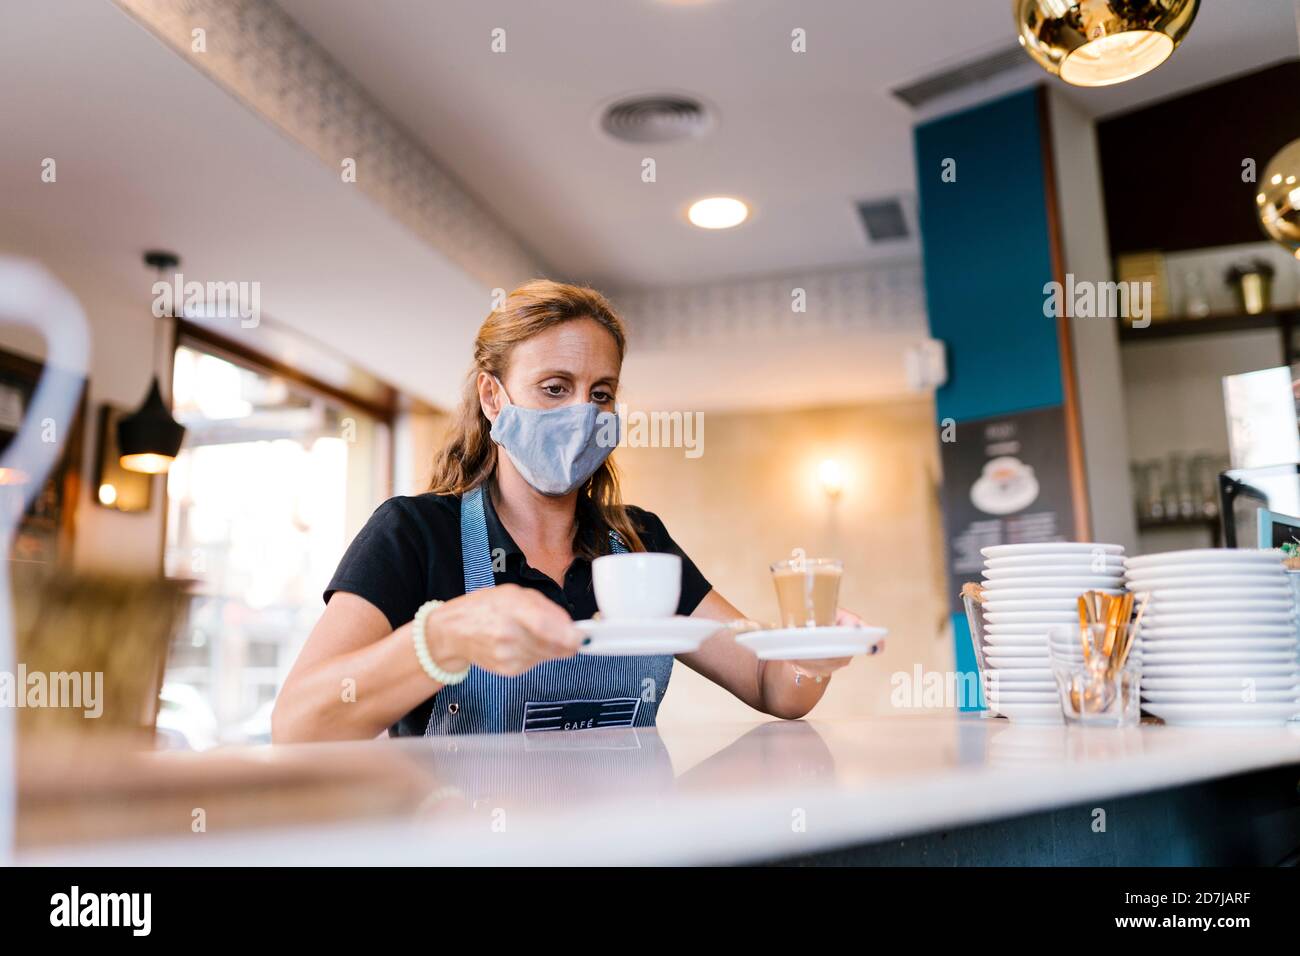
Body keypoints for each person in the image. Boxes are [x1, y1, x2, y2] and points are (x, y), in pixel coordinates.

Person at [273, 280, 867, 741]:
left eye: (601, 393)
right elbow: (300, 726)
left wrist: (810, 661)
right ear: (492, 396)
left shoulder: (638, 544)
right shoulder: (415, 535)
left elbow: (769, 683)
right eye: (555, 388)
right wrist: (445, 636)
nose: (583, 413)